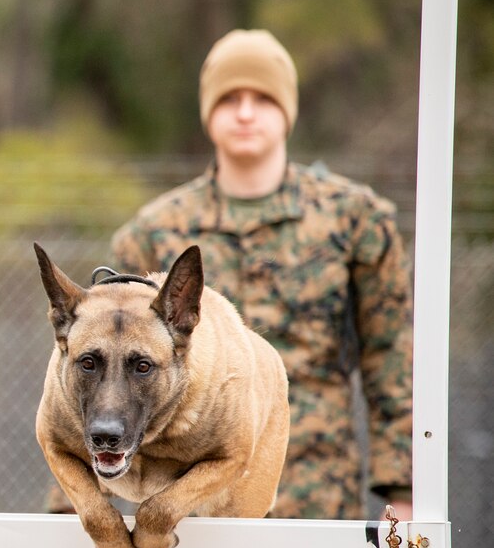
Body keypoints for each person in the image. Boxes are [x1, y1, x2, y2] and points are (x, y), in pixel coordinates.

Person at [46, 29, 413, 520]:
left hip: (314, 495)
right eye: (229, 98)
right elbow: (102, 370)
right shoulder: (154, 228)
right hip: (185, 503)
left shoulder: (356, 220)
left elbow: (392, 357)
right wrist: (72, 508)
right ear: (208, 111)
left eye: (262, 98)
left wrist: (405, 490)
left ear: (287, 109)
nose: (244, 112)